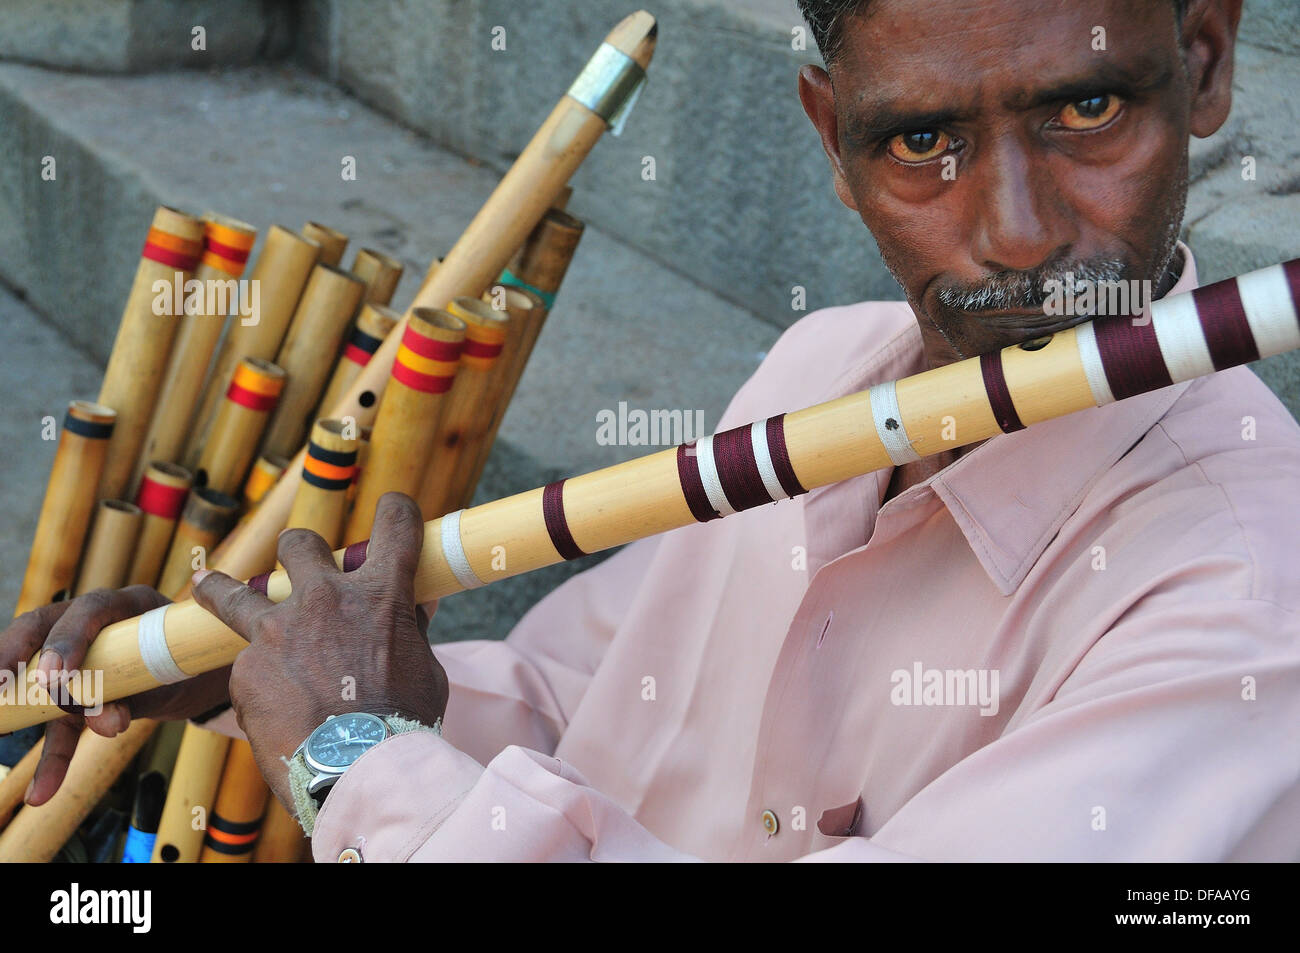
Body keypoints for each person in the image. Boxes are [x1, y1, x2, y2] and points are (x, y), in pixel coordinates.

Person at [5, 0, 1297, 861]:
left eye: (1085, 113)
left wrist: (363, 761)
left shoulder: (1250, 600)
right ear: (829, 140)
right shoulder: (819, 373)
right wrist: (271, 673)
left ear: (1202, 60)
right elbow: (587, 708)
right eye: (920, 141)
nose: (1018, 234)